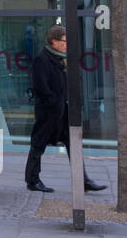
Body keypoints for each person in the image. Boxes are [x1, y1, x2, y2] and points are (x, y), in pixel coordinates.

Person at [26, 25, 108, 193]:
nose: (66, 44)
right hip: (48, 112)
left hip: (62, 111)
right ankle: (32, 180)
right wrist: (52, 100)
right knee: (38, 145)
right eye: (64, 41)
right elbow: (40, 86)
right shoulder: (42, 60)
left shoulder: (60, 59)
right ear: (54, 41)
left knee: (73, 143)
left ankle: (83, 180)